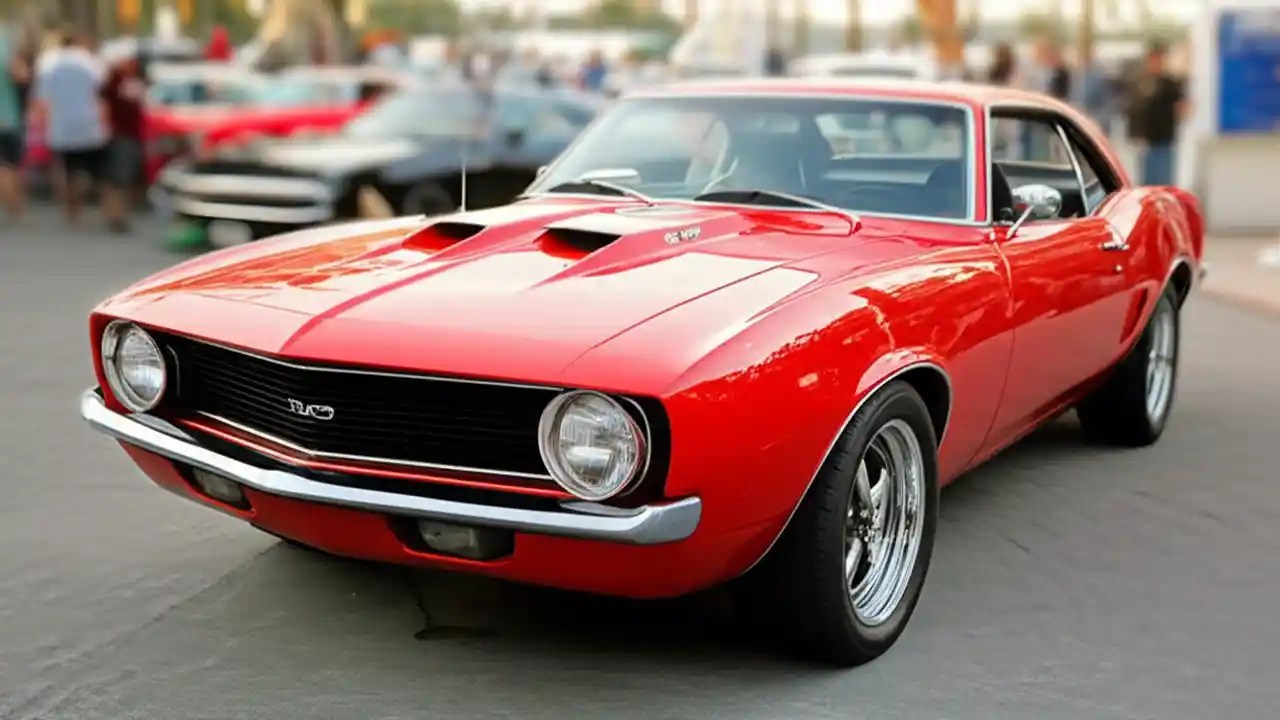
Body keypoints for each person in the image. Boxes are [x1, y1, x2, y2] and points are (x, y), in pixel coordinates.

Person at [32, 30, 109, 226]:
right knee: (92, 169)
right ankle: (86, 198)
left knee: (65, 170)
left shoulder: (49, 62)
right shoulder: (87, 61)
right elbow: (101, 90)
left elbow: (42, 98)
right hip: (89, 125)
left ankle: (71, 209)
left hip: (61, 126)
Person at [1129, 42, 1186, 186]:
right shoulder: (1141, 83)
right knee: (1147, 181)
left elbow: (1182, 107)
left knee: (1163, 179)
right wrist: (1134, 134)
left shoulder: (1170, 84)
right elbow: (1134, 110)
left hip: (1164, 139)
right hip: (1146, 140)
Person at [100, 50, 145, 233]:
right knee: (117, 181)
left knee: (124, 181)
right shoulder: (114, 85)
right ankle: (115, 215)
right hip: (120, 138)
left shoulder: (133, 82)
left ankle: (119, 214)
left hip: (131, 137)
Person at [1, 26, 27, 220]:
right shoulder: (4, 40)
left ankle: (14, 207)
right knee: (8, 165)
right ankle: (14, 208)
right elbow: (21, 75)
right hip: (6, 117)